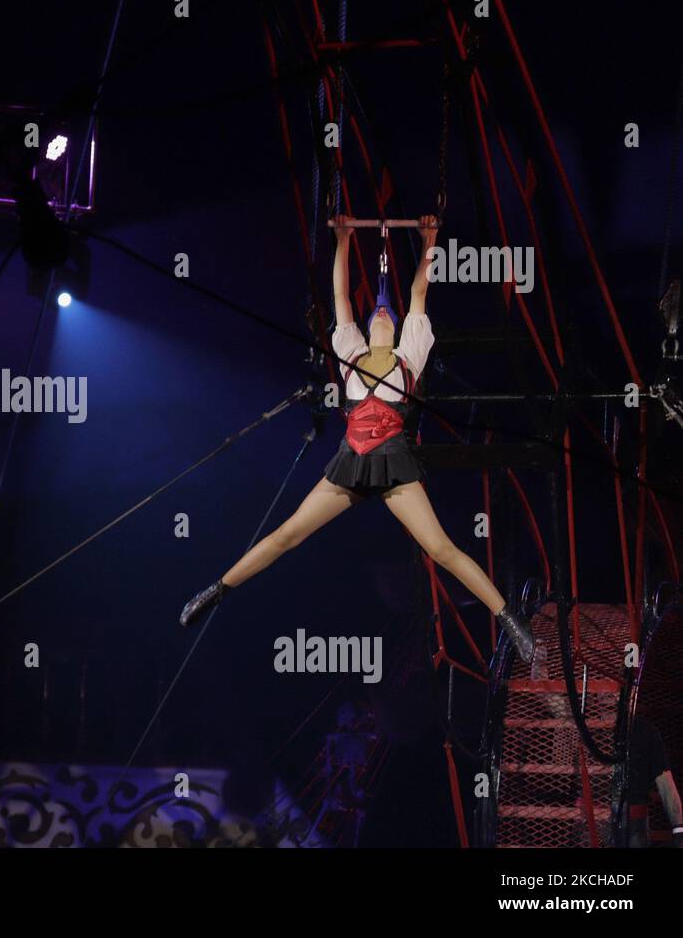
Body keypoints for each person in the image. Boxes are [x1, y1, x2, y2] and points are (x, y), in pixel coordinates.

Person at [178, 214, 536, 663]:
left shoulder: (410, 355)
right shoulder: (349, 354)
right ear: (368, 327)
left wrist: (431, 240)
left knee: (442, 548)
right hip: (349, 464)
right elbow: (340, 295)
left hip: (394, 467)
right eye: (378, 313)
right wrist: (344, 240)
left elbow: (420, 293)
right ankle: (217, 590)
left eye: (389, 312)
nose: (383, 313)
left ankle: (510, 621)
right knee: (289, 533)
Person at [625, 714, 683, 848]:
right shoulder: (586, 728)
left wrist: (679, 829)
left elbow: (665, 784)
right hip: (592, 819)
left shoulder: (644, 730)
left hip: (634, 824)